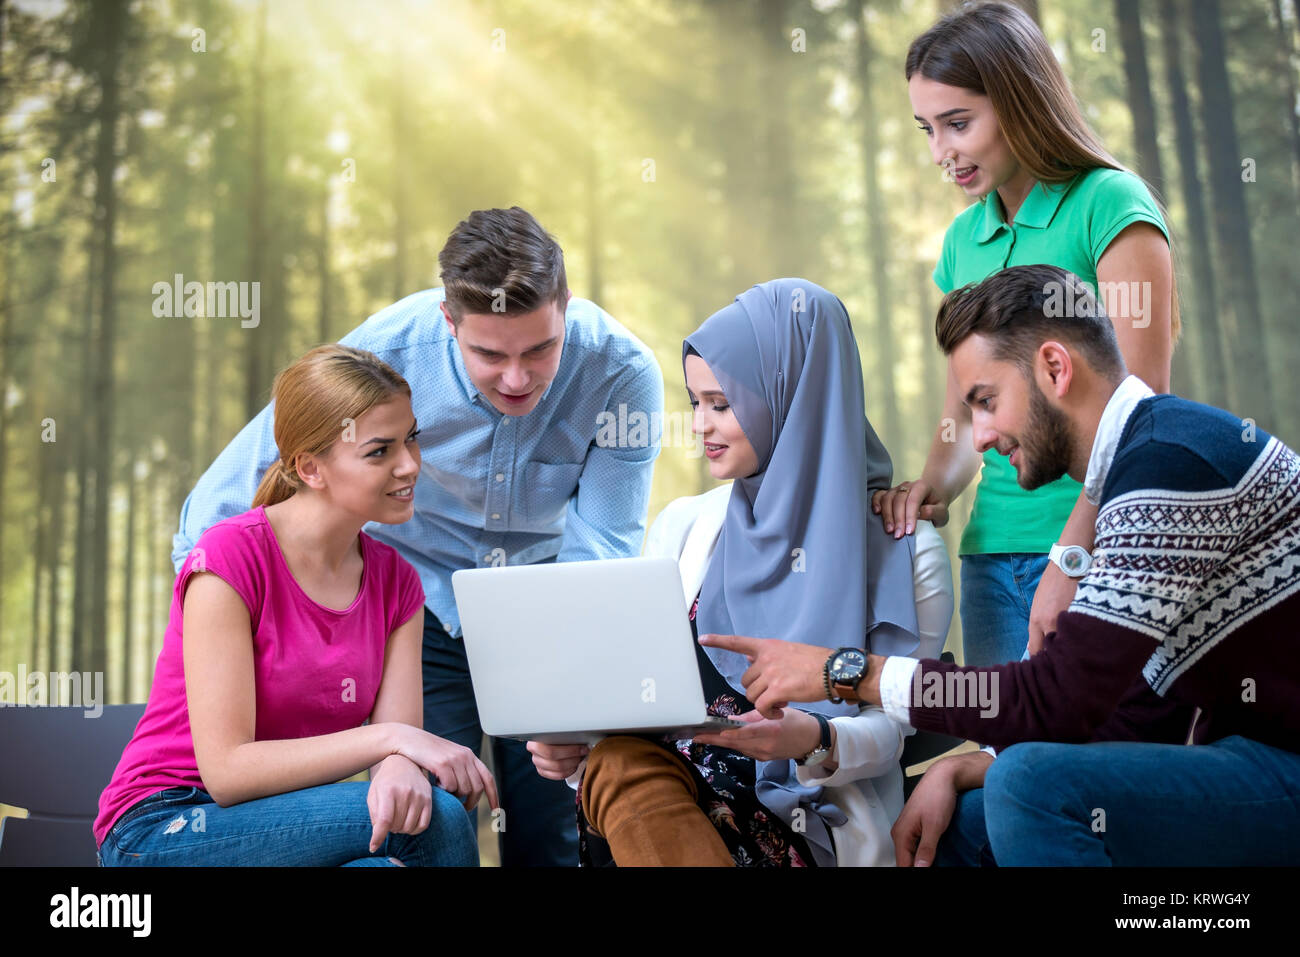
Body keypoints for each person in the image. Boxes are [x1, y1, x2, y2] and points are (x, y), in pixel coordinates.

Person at [705, 265, 1300, 865]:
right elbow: (1136, 702)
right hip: (1246, 764)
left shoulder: (1169, 462)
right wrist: (972, 764)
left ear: (1054, 368)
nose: (981, 437)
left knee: (1031, 786)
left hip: (1282, 770)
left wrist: (845, 671)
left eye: (986, 403)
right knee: (957, 826)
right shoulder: (1140, 464)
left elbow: (1061, 696)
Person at [169, 207, 664, 867]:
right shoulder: (390, 350)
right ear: (448, 321)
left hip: (545, 612)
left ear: (565, 306)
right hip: (419, 609)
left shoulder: (622, 374)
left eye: (540, 350)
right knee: (428, 817)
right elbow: (234, 488)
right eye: (489, 354)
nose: (517, 379)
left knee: (557, 836)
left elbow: (600, 549)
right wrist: (218, 632)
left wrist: (569, 696)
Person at [528, 279, 954, 866]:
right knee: (619, 763)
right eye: (694, 401)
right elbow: (640, 703)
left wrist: (814, 736)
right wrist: (574, 754)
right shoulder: (685, 527)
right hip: (667, 797)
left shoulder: (908, 550)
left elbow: (894, 732)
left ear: (795, 398)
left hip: (807, 822)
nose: (699, 425)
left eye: (722, 405)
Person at [96, 345, 496, 866]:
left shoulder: (398, 583)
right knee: (437, 819)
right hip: (165, 825)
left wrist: (399, 764)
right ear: (311, 468)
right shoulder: (228, 557)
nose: (409, 465)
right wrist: (395, 740)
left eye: (411, 439)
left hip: (283, 824)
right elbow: (228, 772)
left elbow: (397, 753)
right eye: (380, 451)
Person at [875, 0, 1175, 667]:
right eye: (926, 128)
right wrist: (932, 484)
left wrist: (1073, 554)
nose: (939, 153)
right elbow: (966, 405)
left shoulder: (1110, 206)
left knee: (1076, 764)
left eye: (958, 124)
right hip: (990, 555)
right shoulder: (961, 242)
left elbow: (1143, 405)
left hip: (1101, 544)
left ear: (1019, 102)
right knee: (1000, 755)